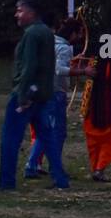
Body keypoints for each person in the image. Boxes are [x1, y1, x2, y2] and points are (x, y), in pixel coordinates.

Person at [0, 0, 70, 189]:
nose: (16, 14)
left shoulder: (32, 34)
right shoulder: (46, 32)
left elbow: (29, 66)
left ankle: (6, 182)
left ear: (31, 13)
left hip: (26, 94)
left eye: (20, 10)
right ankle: (60, 179)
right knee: (47, 137)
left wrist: (23, 96)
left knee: (11, 138)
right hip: (43, 95)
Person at [24, 17, 85, 180]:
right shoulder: (63, 48)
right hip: (55, 93)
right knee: (57, 132)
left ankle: (35, 165)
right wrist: (83, 71)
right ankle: (45, 166)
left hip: (42, 90)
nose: (79, 37)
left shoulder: (49, 43)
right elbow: (59, 69)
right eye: (78, 33)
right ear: (72, 33)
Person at [82, 53, 111, 182]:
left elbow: (88, 82)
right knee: (109, 139)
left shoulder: (93, 61)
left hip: (93, 104)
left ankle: (95, 168)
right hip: (110, 106)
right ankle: (99, 169)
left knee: (93, 139)